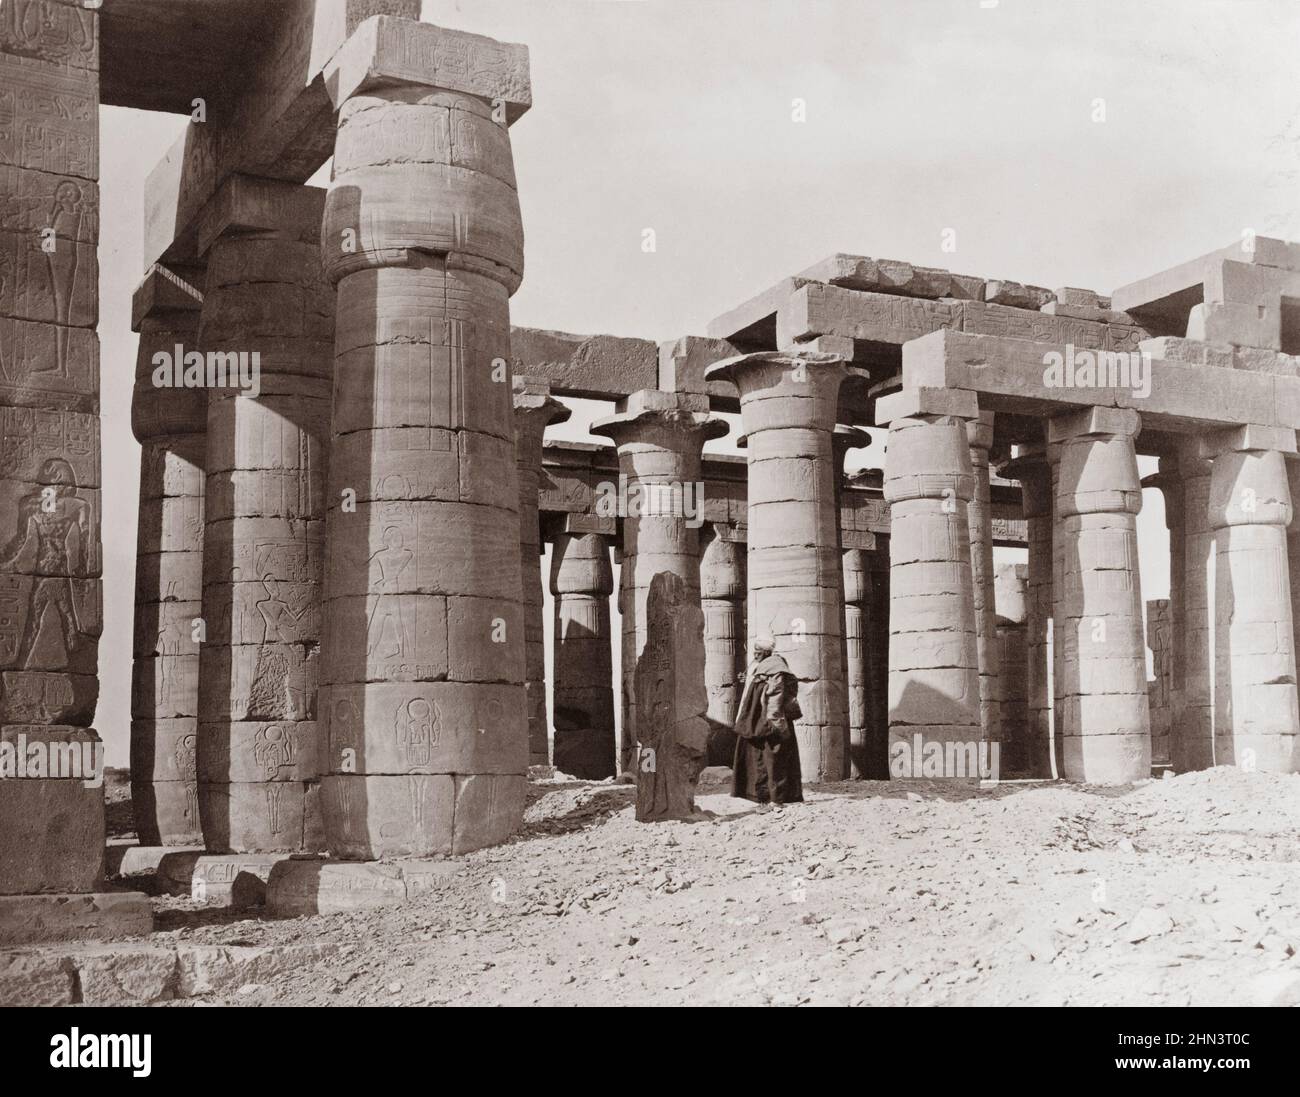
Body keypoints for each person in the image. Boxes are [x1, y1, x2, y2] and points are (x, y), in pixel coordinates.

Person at [731, 634, 803, 806]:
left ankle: (776, 799)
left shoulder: (776, 668)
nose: (754, 654)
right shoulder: (764, 665)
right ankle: (763, 797)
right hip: (757, 719)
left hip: (769, 720)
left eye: (758, 651)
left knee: (773, 758)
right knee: (760, 756)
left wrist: (778, 724)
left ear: (766, 652)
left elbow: (775, 697)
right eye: (754, 651)